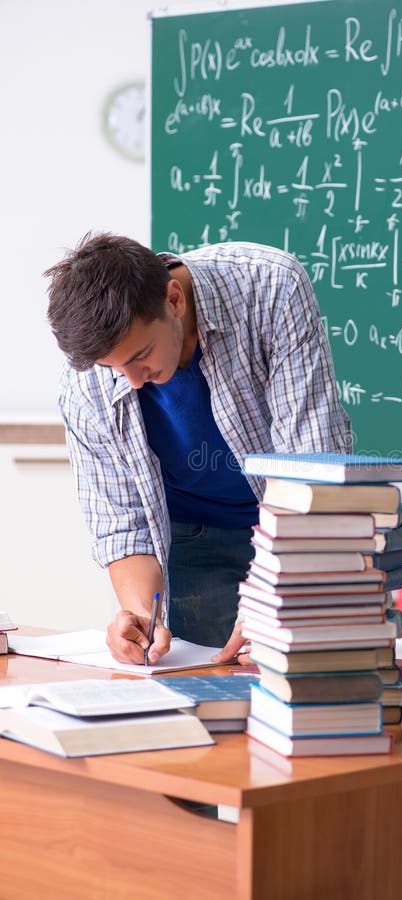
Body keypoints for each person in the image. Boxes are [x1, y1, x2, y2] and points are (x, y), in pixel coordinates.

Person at [46, 233, 352, 666]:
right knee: (214, 694)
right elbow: (121, 525)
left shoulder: (270, 287)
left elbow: (309, 463)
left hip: (298, 525)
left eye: (142, 355)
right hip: (189, 535)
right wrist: (138, 616)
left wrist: (273, 593)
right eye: (116, 368)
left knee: (317, 684)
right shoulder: (84, 383)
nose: (132, 380)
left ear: (174, 299)